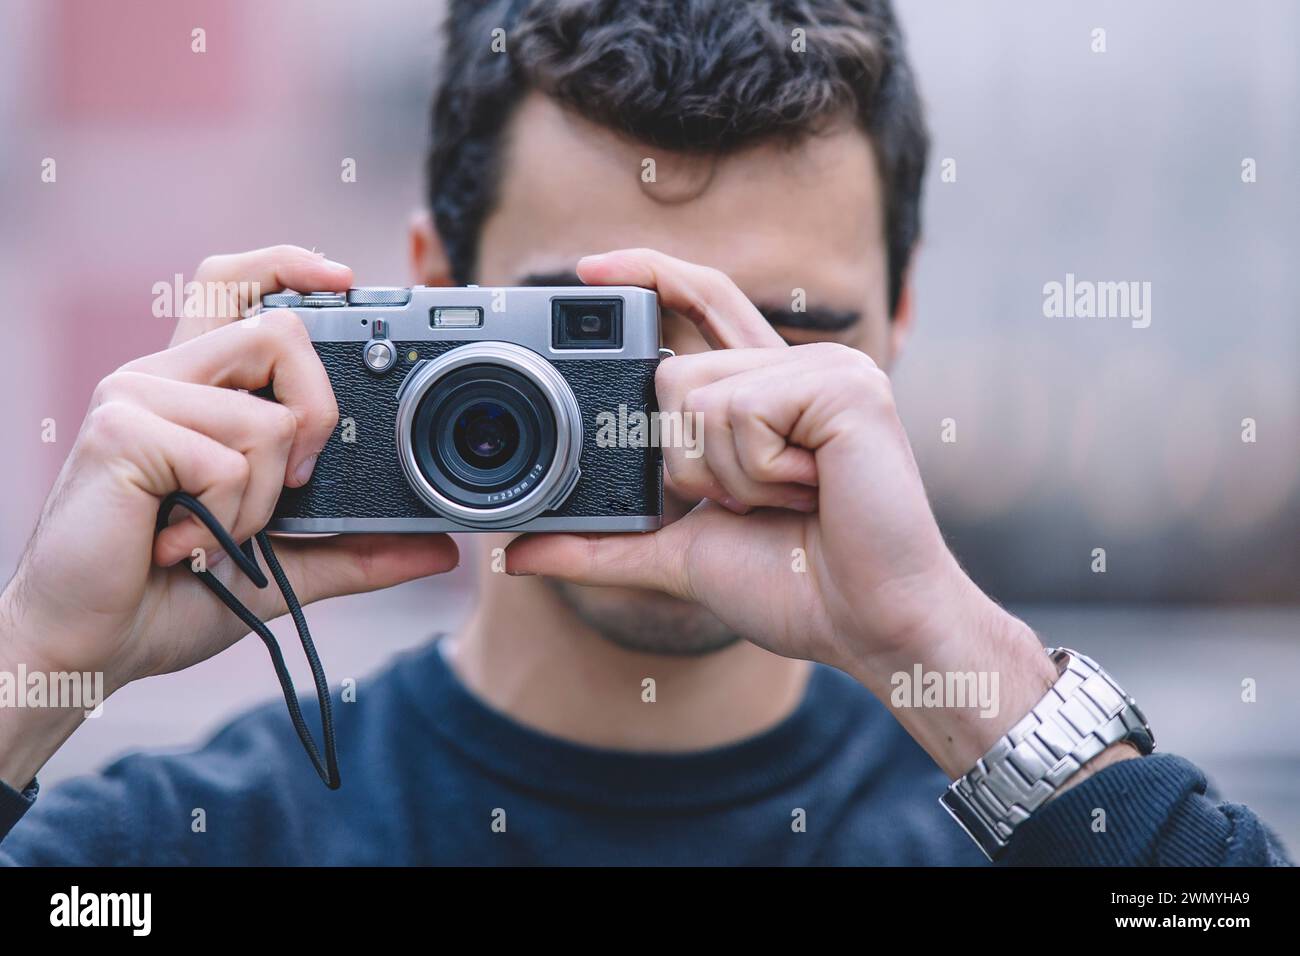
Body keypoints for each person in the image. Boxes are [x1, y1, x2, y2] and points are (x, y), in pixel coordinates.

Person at [0, 0, 1289, 866]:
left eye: (783, 330)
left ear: (897, 327)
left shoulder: (1027, 827)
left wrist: (957, 668)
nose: (685, 400)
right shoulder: (180, 851)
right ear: (431, 288)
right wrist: (38, 669)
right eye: (586, 328)